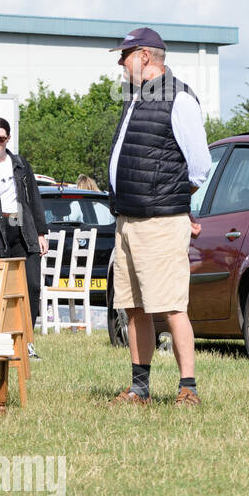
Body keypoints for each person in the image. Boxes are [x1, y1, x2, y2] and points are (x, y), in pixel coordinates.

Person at [106, 27, 210, 408]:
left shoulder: (178, 98)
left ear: (144, 57)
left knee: (170, 306)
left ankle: (188, 388)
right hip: (128, 219)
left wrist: (178, 201)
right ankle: (139, 388)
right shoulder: (136, 97)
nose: (120, 63)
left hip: (161, 221)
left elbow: (199, 166)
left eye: (125, 56)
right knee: (133, 307)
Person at [0, 117, 49, 357]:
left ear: (8, 138)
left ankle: (27, 342)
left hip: (20, 224)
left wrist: (41, 232)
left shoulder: (20, 164)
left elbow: (34, 197)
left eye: (0, 138)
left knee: (30, 285)